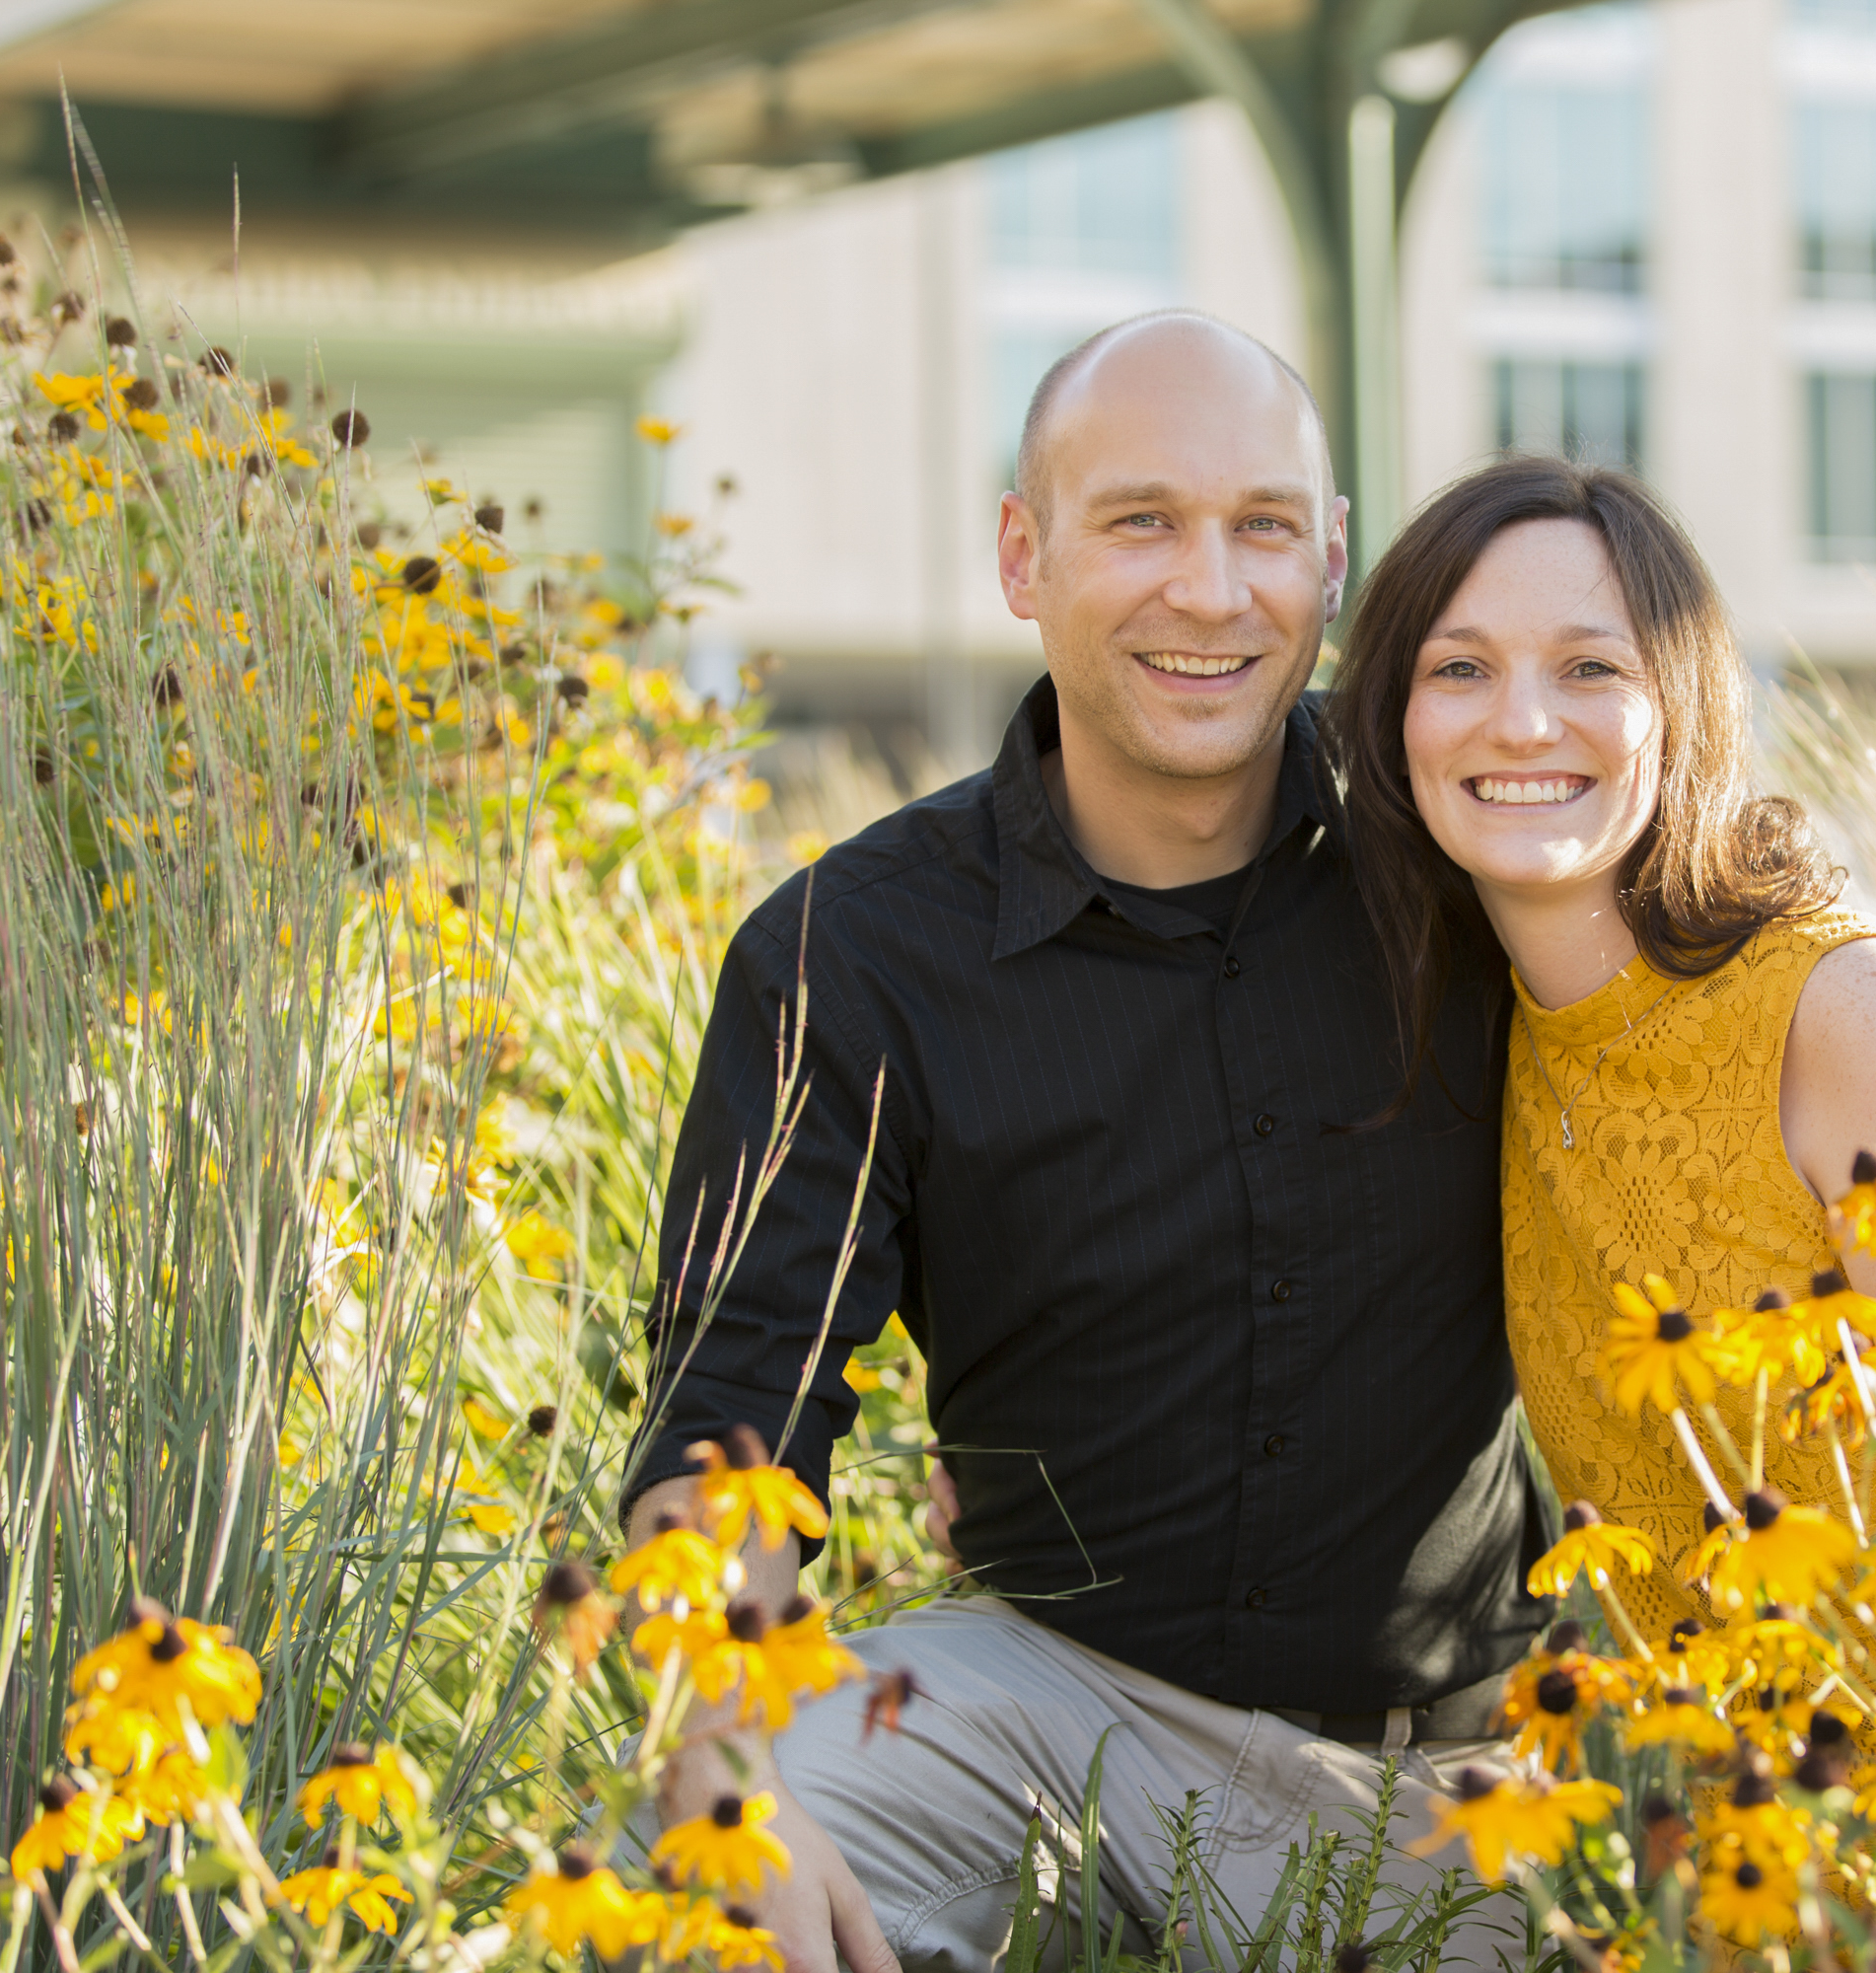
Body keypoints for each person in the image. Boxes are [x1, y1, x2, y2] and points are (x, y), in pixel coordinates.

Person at [622, 314, 1543, 1973]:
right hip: (1056, 1722)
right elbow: (727, 1433)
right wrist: (723, 1759)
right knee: (706, 1877)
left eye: (1264, 528)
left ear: (1329, 567)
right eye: (1142, 522)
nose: (1210, 589)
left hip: (1475, 1770)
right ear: (1020, 557)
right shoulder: (851, 957)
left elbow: (1731, 995)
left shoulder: (1463, 841)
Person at [1323, 456, 1876, 1655]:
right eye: (1459, 667)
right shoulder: (1482, 1035)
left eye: (1590, 667)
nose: (1521, 720)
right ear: (1395, 725)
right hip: (1731, 1823)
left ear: (1683, 704)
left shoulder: (1841, 1007)